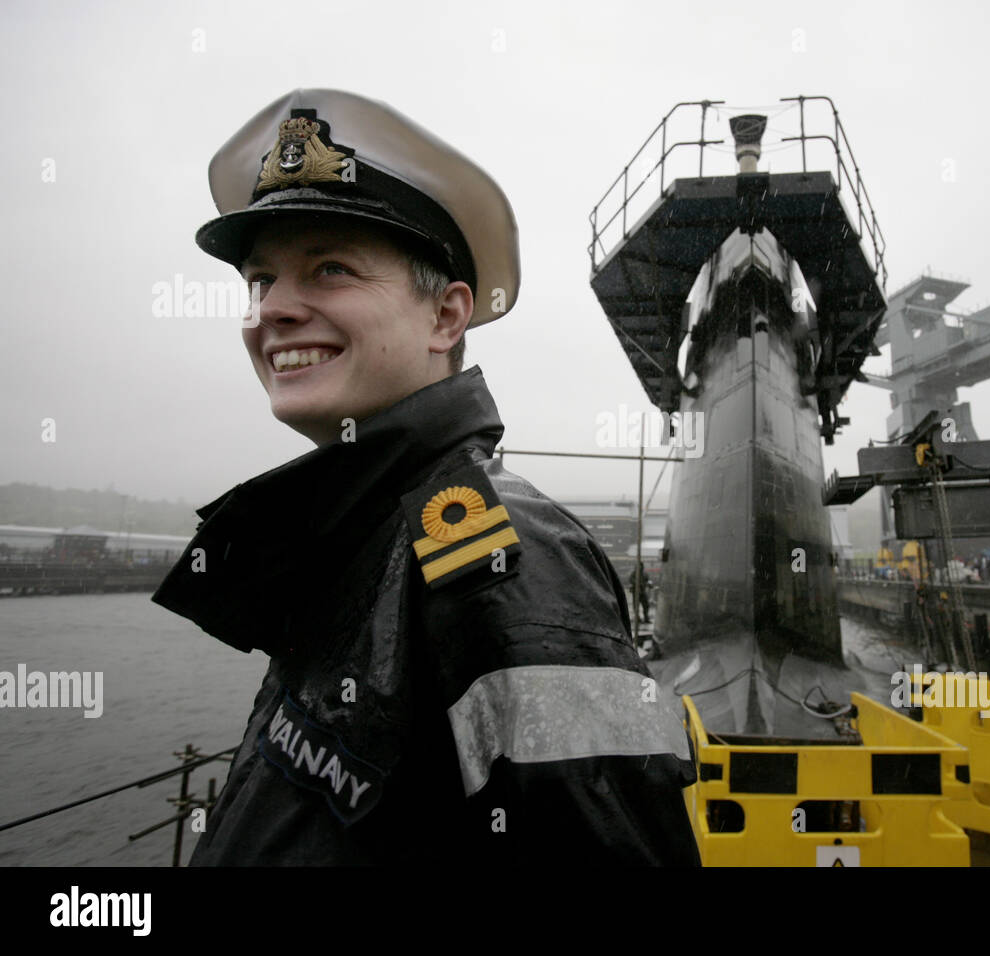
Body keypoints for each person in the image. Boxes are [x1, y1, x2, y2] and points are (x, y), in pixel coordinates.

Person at [152, 89, 700, 866]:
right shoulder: (362, 526)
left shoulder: (500, 560)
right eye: (260, 281)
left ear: (446, 318)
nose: (271, 310)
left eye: (330, 269)